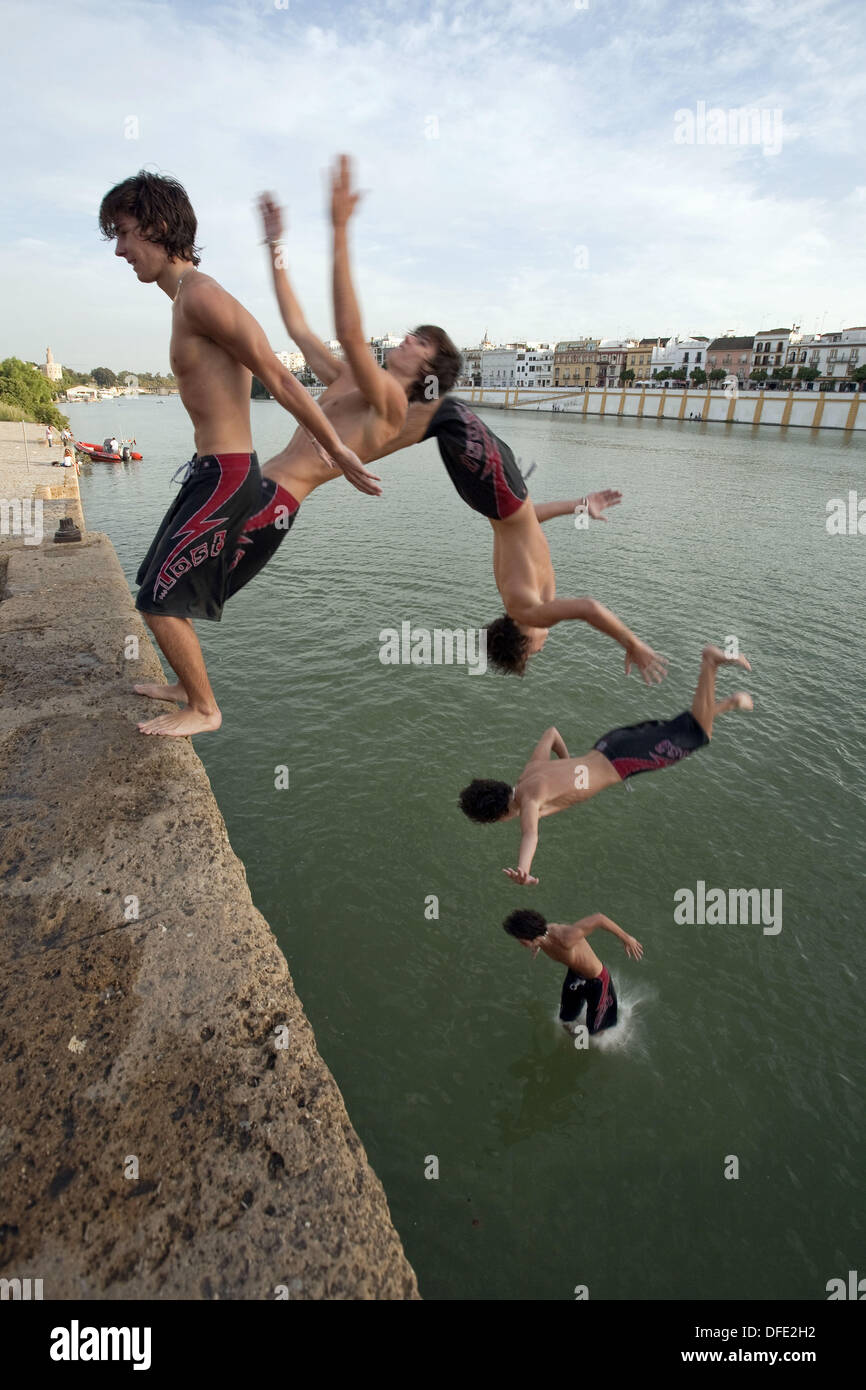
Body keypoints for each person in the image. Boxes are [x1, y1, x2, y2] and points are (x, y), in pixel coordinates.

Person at [227, 186, 665, 689]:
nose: (549, 638)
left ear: (527, 635)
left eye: (540, 646)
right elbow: (525, 523)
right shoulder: (527, 591)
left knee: (442, 413)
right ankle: (389, 428)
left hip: (496, 489)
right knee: (438, 413)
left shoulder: (527, 605)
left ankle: (392, 426)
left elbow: (585, 605)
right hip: (503, 495)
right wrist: (579, 506)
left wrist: (630, 641)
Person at [99, 167, 371, 737]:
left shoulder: (203, 297)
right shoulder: (183, 301)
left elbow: (280, 376)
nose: (120, 249)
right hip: (208, 469)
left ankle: (204, 707)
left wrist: (337, 448)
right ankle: (182, 683)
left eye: (124, 233)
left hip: (227, 473)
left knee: (158, 602)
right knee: (153, 577)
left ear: (159, 227)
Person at [213, 160, 461, 604]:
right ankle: (182, 678)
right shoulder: (348, 378)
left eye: (419, 342)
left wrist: (341, 229)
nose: (406, 339)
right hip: (256, 484)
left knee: (192, 592)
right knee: (181, 588)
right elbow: (297, 327)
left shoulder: (390, 403)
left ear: (428, 370)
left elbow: (349, 332)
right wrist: (274, 244)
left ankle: (186, 679)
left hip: (274, 503)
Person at [458, 645, 754, 884]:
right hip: (609, 746)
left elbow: (530, 834)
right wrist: (569, 764)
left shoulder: (529, 800)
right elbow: (551, 733)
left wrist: (523, 869)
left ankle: (710, 661)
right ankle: (729, 704)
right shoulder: (528, 775)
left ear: (498, 816)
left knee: (698, 735)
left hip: (623, 760)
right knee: (683, 733)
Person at [502, 908, 644, 1035]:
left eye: (521, 940)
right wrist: (536, 946)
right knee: (565, 1020)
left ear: (532, 936)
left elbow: (599, 918)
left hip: (598, 981)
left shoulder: (565, 938)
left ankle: (609, 1019)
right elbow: (539, 931)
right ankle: (581, 1039)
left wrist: (626, 938)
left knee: (596, 1032)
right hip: (576, 976)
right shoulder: (541, 936)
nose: (520, 943)